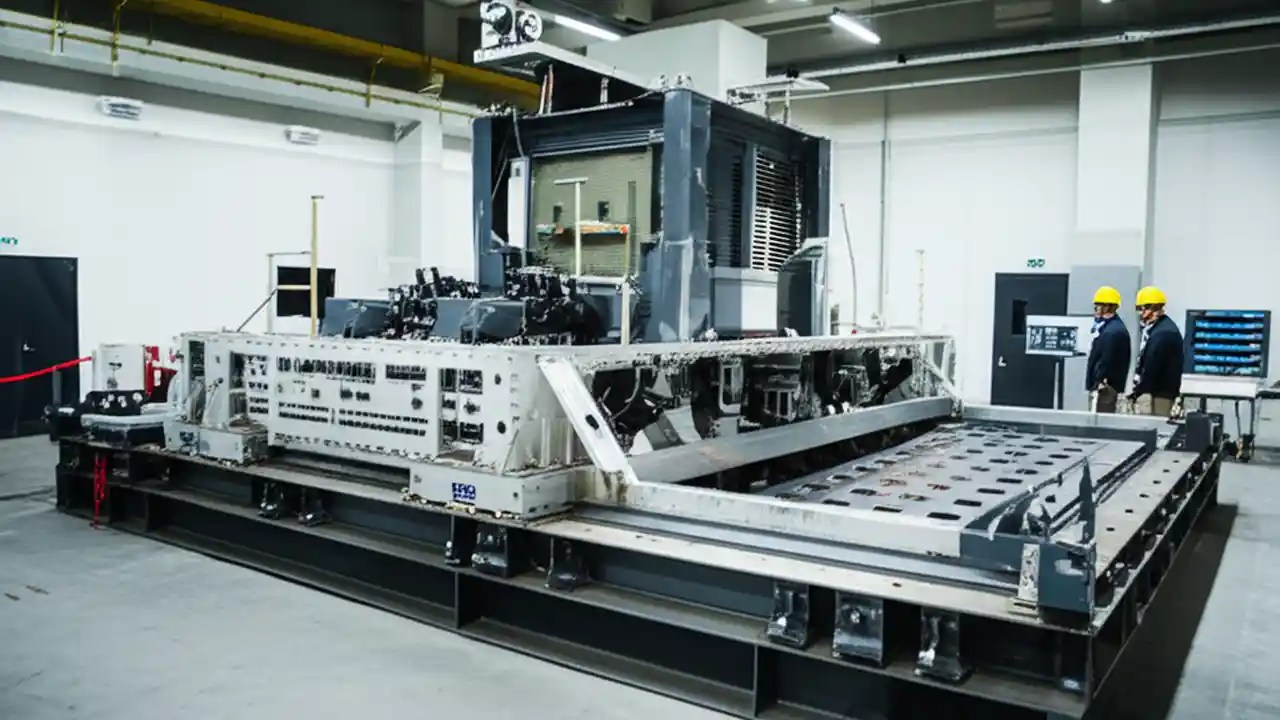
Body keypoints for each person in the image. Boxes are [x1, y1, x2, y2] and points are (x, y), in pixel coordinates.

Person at [1129, 286, 1184, 417]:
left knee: (1157, 428)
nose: (1140, 314)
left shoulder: (1163, 333)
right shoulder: (1158, 329)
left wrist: (1138, 391)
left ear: (1152, 308)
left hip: (1161, 393)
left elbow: (1152, 366)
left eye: (1141, 309)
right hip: (1157, 390)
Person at [1085, 286, 1130, 413]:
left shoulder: (1111, 332)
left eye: (1097, 307)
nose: (1095, 311)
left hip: (1105, 388)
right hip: (1108, 386)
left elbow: (1106, 360)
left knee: (1099, 420)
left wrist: (1098, 381)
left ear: (1106, 307)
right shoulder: (1110, 327)